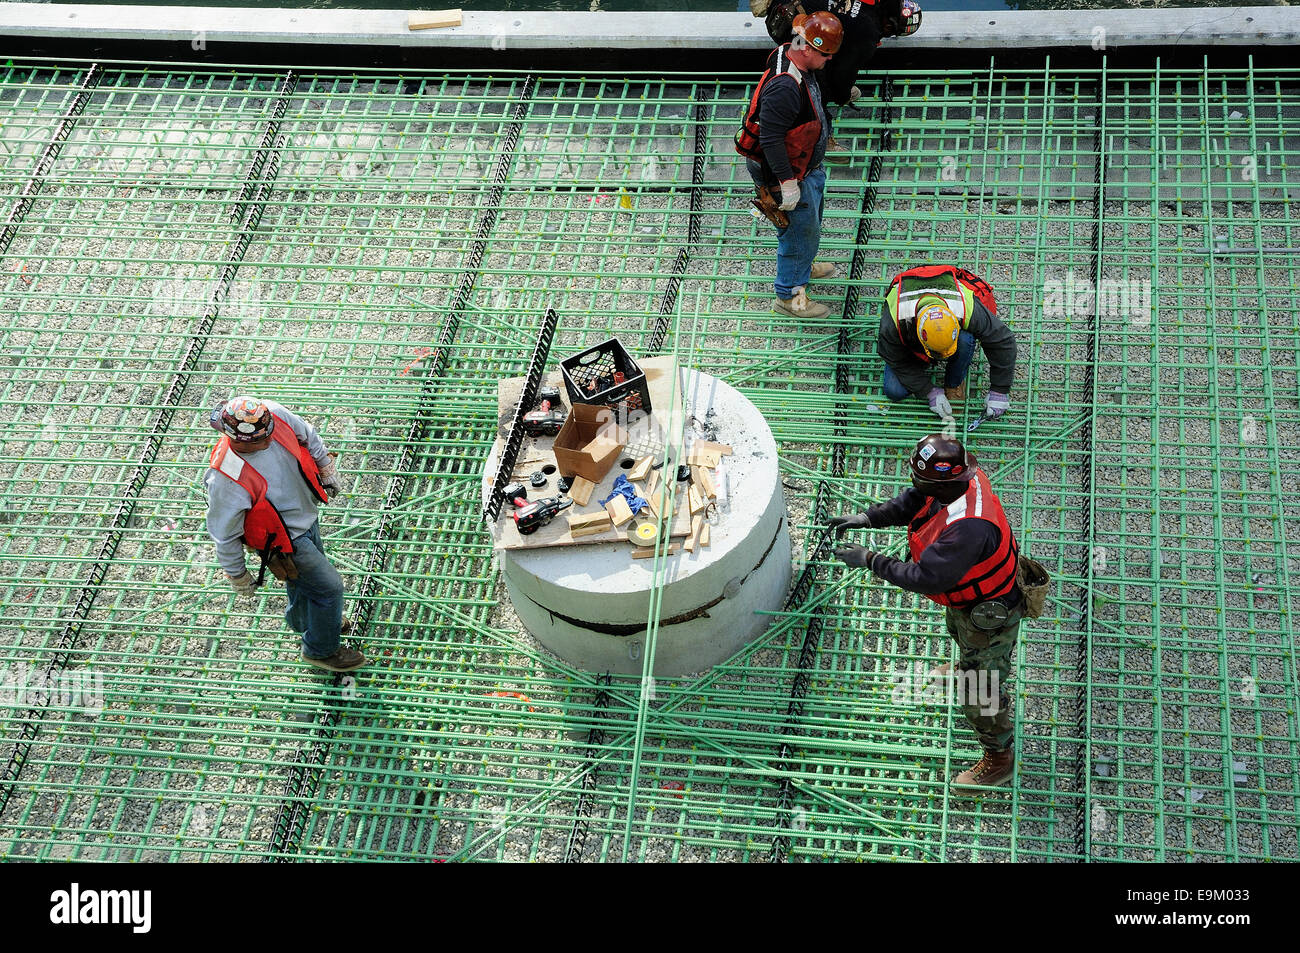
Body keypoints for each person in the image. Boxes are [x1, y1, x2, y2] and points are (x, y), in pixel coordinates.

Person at [830, 434, 1022, 789]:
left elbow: (925, 577)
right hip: (968, 604)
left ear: (944, 482)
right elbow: (914, 500)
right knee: (962, 638)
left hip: (990, 614)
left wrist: (870, 560)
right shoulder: (960, 480)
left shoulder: (968, 528)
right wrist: (868, 518)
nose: (915, 485)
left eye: (921, 480)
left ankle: (1000, 758)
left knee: (979, 690)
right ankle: (970, 662)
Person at [204, 396, 366, 673]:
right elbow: (223, 531)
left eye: (268, 433)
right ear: (234, 438)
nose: (268, 441)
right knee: (329, 588)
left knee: (306, 583)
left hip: (305, 513)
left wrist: (325, 466)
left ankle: (308, 622)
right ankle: (320, 649)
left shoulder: (270, 415)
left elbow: (307, 434)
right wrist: (237, 575)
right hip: (284, 541)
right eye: (258, 441)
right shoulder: (225, 478)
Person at [736, 10, 844, 320]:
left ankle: (804, 265)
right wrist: (786, 184)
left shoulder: (794, 48)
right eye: (825, 55)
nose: (829, 60)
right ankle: (789, 297)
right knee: (797, 233)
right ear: (808, 48)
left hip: (805, 165)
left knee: (807, 227)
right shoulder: (784, 87)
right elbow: (770, 140)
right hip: (785, 172)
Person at [758, 0, 924, 158]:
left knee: (829, 55)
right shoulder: (867, 34)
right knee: (815, 82)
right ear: (889, 26)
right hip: (789, 27)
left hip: (786, 7)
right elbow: (843, 73)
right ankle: (821, 139)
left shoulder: (871, 7)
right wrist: (841, 96)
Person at [878, 264, 1017, 422]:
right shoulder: (894, 323)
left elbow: (1003, 340)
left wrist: (1000, 390)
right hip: (909, 340)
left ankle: (954, 383)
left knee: (965, 340)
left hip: (948, 319)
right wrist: (929, 391)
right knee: (894, 390)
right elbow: (896, 360)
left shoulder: (965, 306)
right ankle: (921, 363)